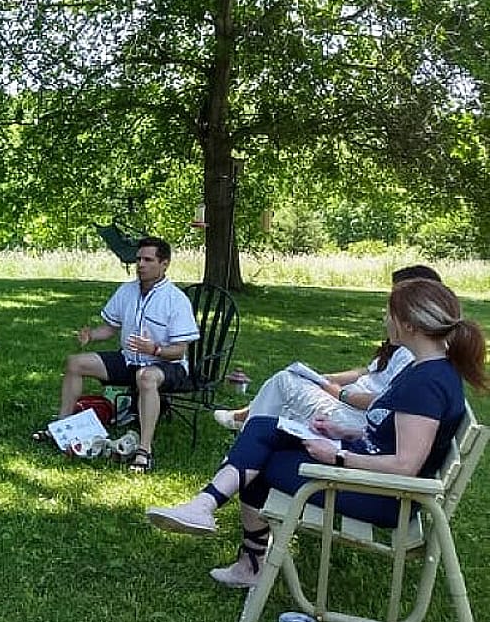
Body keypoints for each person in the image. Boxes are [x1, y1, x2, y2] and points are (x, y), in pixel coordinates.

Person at [147, 278, 485, 589]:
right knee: (264, 428)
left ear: (409, 324)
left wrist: (337, 455)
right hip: (373, 478)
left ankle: (243, 555)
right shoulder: (425, 368)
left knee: (259, 464)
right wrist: (344, 431)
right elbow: (389, 434)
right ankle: (205, 507)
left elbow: (405, 466)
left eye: (389, 313)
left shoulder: (427, 383)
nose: (385, 320)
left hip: (381, 495)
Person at [213, 265, 443, 435]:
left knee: (284, 382)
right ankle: (250, 432)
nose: (387, 314)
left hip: (353, 415)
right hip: (347, 404)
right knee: (294, 379)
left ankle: (246, 438)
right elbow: (368, 372)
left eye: (394, 304)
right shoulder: (409, 346)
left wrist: (339, 393)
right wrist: (325, 379)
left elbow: (385, 403)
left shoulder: (414, 355)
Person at [56, 236, 199, 473]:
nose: (140, 264)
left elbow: (180, 350)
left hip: (166, 365)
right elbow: (110, 328)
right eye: (138, 259)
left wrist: (154, 349)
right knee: (75, 362)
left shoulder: (176, 300)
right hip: (129, 359)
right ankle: (61, 427)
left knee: (146, 377)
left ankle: (144, 450)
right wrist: (91, 335)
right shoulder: (127, 291)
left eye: (148, 260)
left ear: (164, 264)